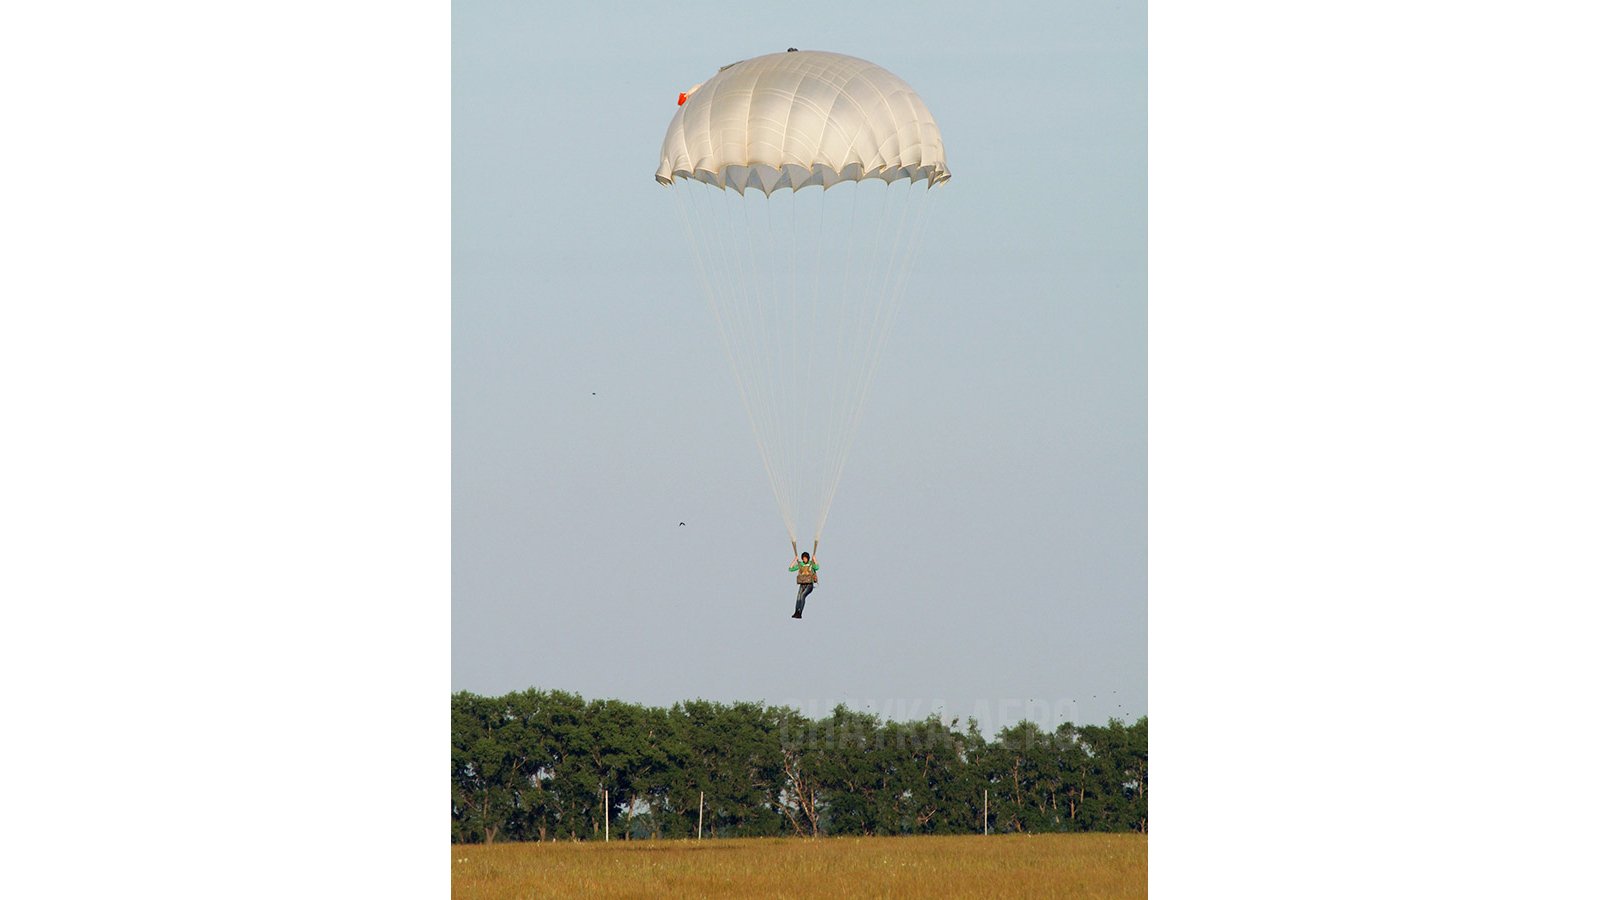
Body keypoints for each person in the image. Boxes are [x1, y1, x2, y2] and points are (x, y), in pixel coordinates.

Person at [789, 552, 819, 619]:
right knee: (798, 597)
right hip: (802, 584)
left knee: (803, 595)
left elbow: (817, 567)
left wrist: (815, 559)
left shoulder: (811, 564)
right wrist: (795, 560)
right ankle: (796, 611)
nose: (804, 560)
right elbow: (790, 569)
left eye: (805, 558)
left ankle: (800, 612)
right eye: (803, 558)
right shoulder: (801, 565)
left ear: (808, 558)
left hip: (809, 585)